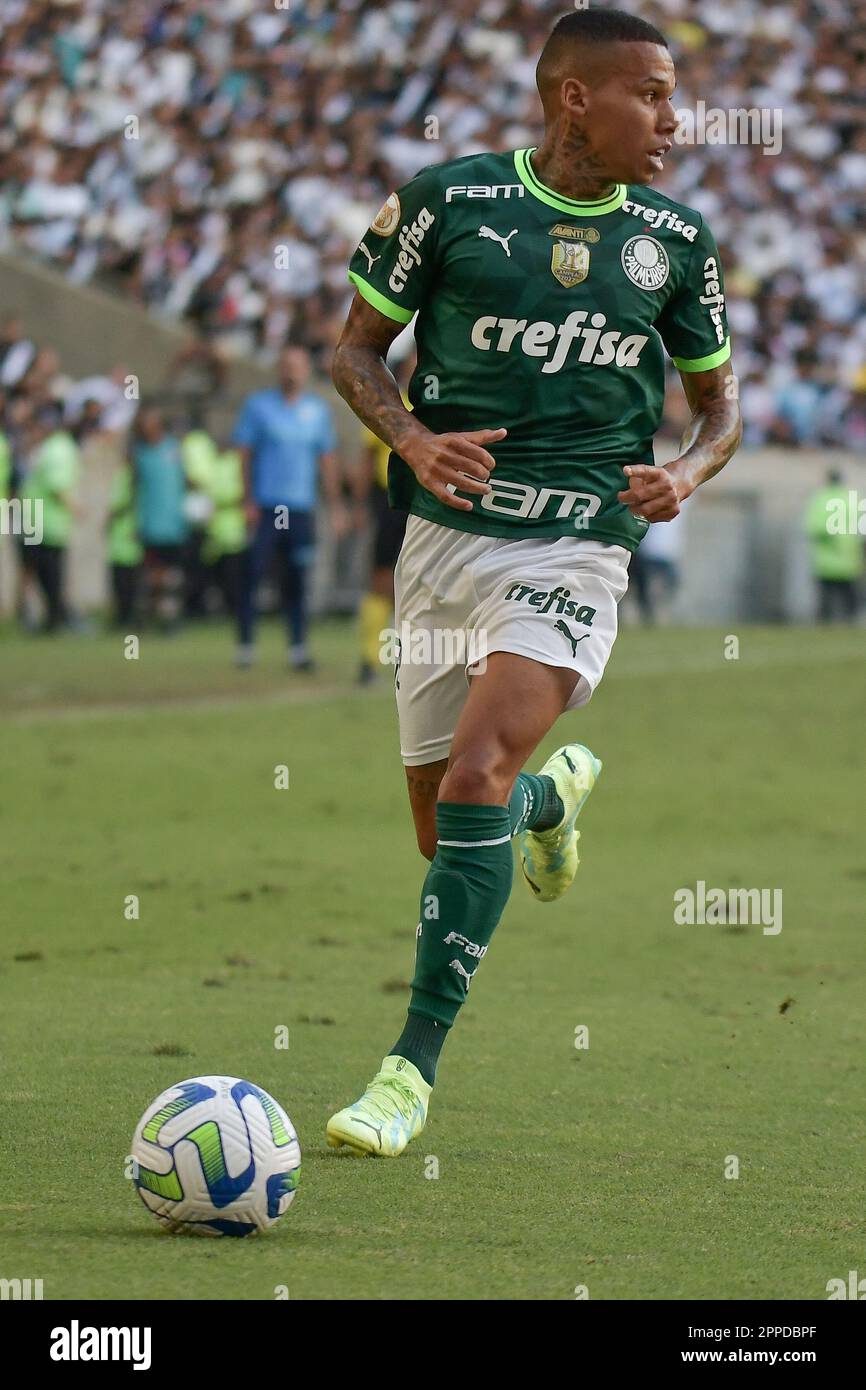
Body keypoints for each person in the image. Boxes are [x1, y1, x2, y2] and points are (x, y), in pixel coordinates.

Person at [327, 8, 741, 1156]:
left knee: (471, 779)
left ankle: (406, 1071)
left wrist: (684, 475)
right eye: (650, 95)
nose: (672, 118)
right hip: (442, 538)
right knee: (447, 828)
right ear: (574, 99)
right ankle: (550, 803)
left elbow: (719, 412)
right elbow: (354, 348)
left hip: (577, 542)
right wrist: (410, 439)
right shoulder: (447, 201)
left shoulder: (674, 239)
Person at [233, 346, 346, 670]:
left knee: (297, 577)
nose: (290, 371)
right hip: (268, 506)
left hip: (300, 508)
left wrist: (335, 506)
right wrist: (247, 499)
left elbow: (327, 460)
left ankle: (298, 648)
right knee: (253, 573)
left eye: (297, 365)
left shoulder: (317, 411)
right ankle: (246, 646)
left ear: (307, 370)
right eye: (286, 365)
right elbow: (244, 453)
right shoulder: (259, 406)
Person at [354, 355, 412, 685]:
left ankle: (415, 659)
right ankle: (368, 658)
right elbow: (366, 458)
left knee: (423, 582)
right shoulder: (390, 405)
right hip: (390, 502)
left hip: (426, 504)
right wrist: (360, 506)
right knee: (380, 579)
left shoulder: (441, 405)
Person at [17, 406, 81, 632]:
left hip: (33, 518)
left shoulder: (49, 447)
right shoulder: (60, 448)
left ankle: (50, 619)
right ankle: (57, 619)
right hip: (46, 523)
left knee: (36, 572)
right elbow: (57, 486)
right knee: (51, 575)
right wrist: (76, 508)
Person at [131, 404, 189, 631]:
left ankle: (169, 620)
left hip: (173, 524)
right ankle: (147, 618)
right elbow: (136, 488)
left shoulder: (174, 450)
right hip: (150, 524)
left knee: (171, 576)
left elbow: (184, 481)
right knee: (151, 576)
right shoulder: (141, 454)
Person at [804, 470, 864, 622]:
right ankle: (853, 627)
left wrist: (829, 534)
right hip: (849, 560)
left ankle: (823, 628)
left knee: (826, 602)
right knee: (851, 601)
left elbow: (812, 527)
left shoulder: (820, 499)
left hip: (826, 562)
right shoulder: (852, 498)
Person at [106, 460, 143, 628]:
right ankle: (129, 617)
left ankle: (126, 618)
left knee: (124, 580)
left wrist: (108, 520)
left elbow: (119, 504)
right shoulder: (131, 476)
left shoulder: (126, 477)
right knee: (131, 580)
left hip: (124, 535)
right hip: (128, 536)